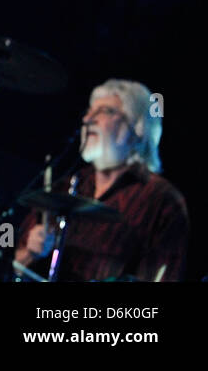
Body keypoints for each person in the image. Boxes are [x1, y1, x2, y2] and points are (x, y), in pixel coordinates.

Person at [15, 79, 189, 281]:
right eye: (89, 111)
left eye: (105, 111)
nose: (88, 119)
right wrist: (30, 253)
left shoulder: (163, 200)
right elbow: (11, 268)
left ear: (138, 127)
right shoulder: (64, 186)